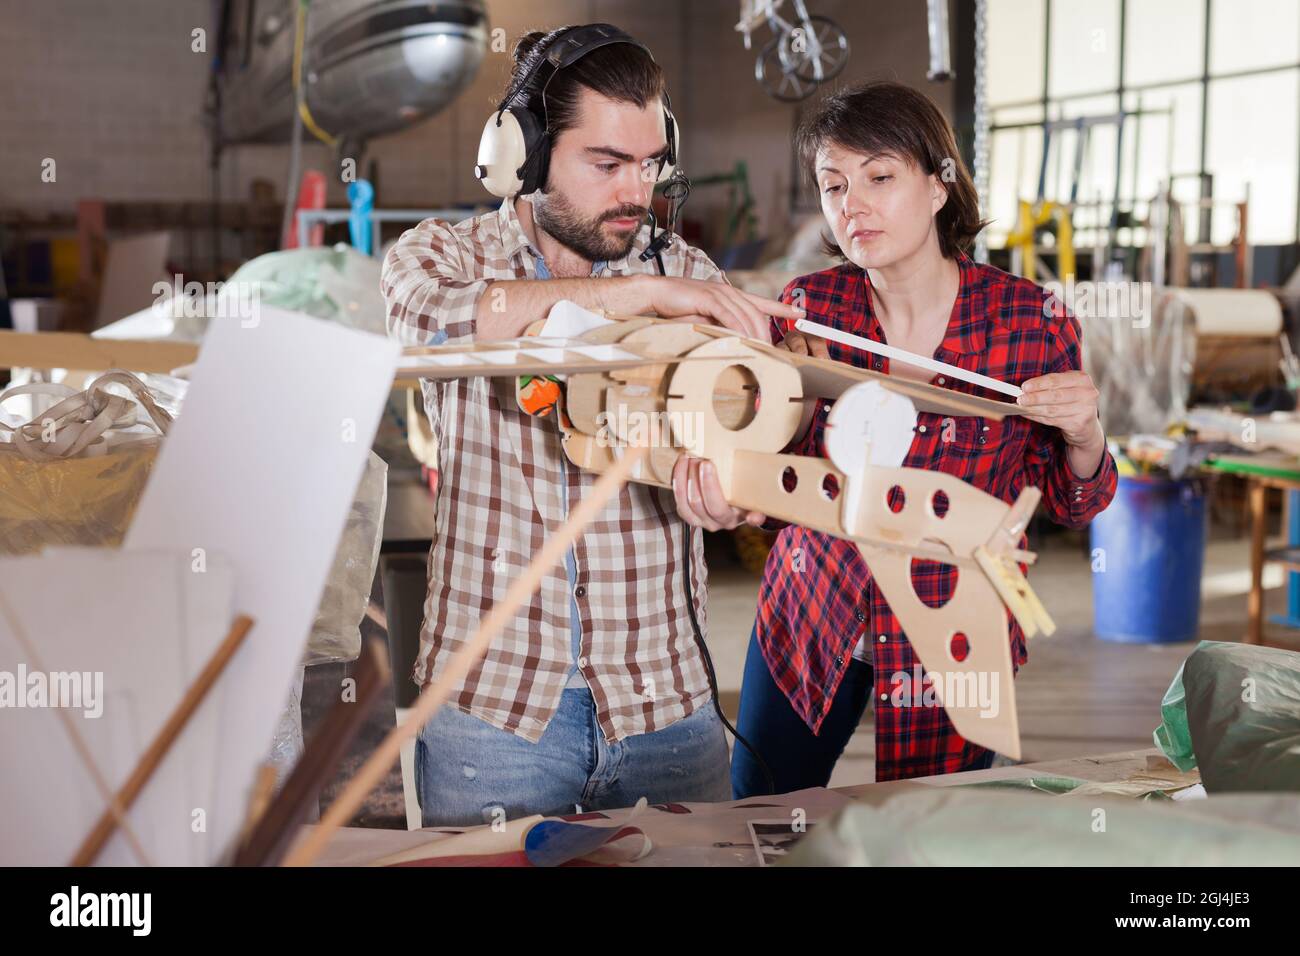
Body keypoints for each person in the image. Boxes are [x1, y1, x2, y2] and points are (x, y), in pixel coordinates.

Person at [381, 23, 803, 825]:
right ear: (525, 155)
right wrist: (639, 297)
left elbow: (742, 429)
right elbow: (428, 322)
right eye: (606, 165)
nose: (635, 193)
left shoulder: (686, 274)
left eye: (648, 164)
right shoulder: (442, 257)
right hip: (494, 710)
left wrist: (731, 498)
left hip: (666, 707)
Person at [730, 81, 1118, 796]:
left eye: (879, 177)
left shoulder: (1030, 321)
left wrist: (1085, 434)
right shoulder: (810, 314)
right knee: (758, 820)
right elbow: (765, 457)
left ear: (940, 186)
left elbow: (1072, 504)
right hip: (815, 611)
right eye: (833, 185)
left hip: (956, 627)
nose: (853, 204)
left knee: (932, 832)